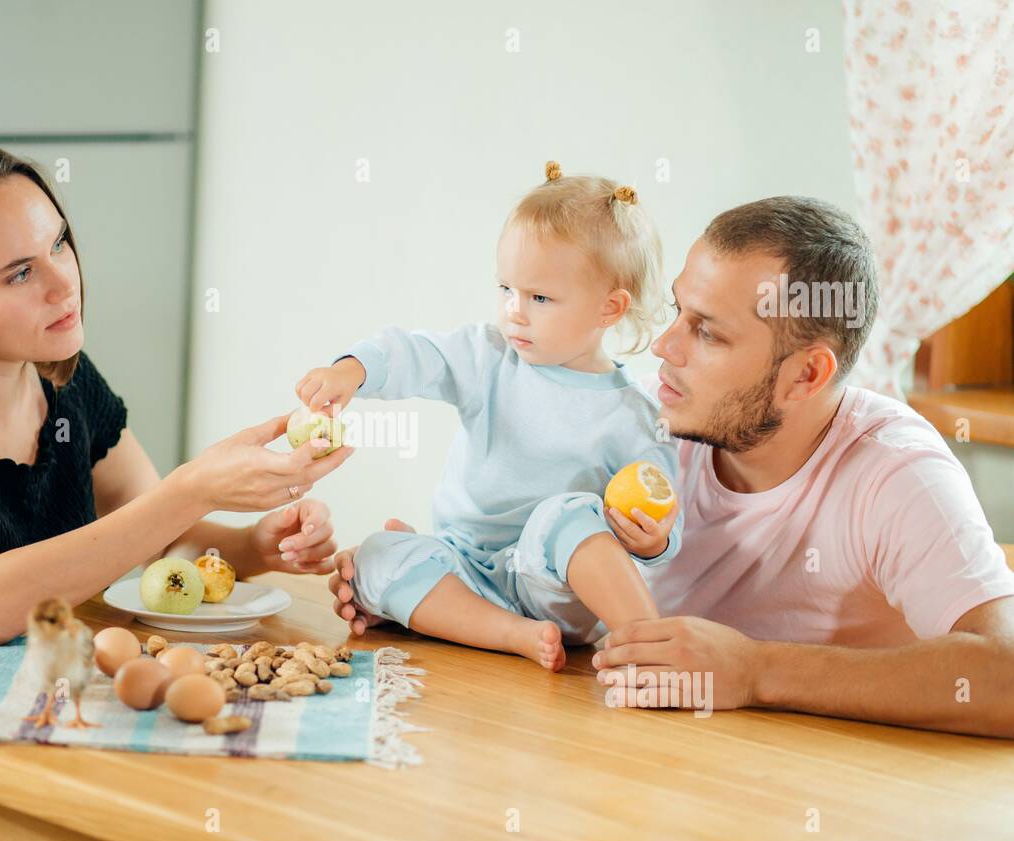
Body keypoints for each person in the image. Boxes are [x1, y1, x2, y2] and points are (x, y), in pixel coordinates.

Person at [0, 135, 352, 841]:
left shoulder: (61, 380)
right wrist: (192, 486)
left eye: (59, 244)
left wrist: (251, 544)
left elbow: (155, 538)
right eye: (20, 272)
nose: (63, 283)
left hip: (43, 742)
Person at [329, 196, 1014, 738]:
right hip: (630, 762)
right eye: (680, 310)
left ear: (807, 375)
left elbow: (1004, 676)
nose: (664, 346)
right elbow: (539, 564)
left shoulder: (895, 473)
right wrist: (428, 597)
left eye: (708, 331)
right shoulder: (648, 423)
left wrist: (756, 671)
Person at [295, 166, 681, 671]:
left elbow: (665, 510)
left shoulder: (634, 415)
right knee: (373, 557)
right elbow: (418, 353)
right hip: (466, 566)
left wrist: (655, 542)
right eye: (506, 289)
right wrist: (355, 370)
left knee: (566, 514)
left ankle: (649, 649)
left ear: (609, 308)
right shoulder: (489, 356)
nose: (514, 312)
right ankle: (510, 634)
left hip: (557, 589)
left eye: (539, 298)